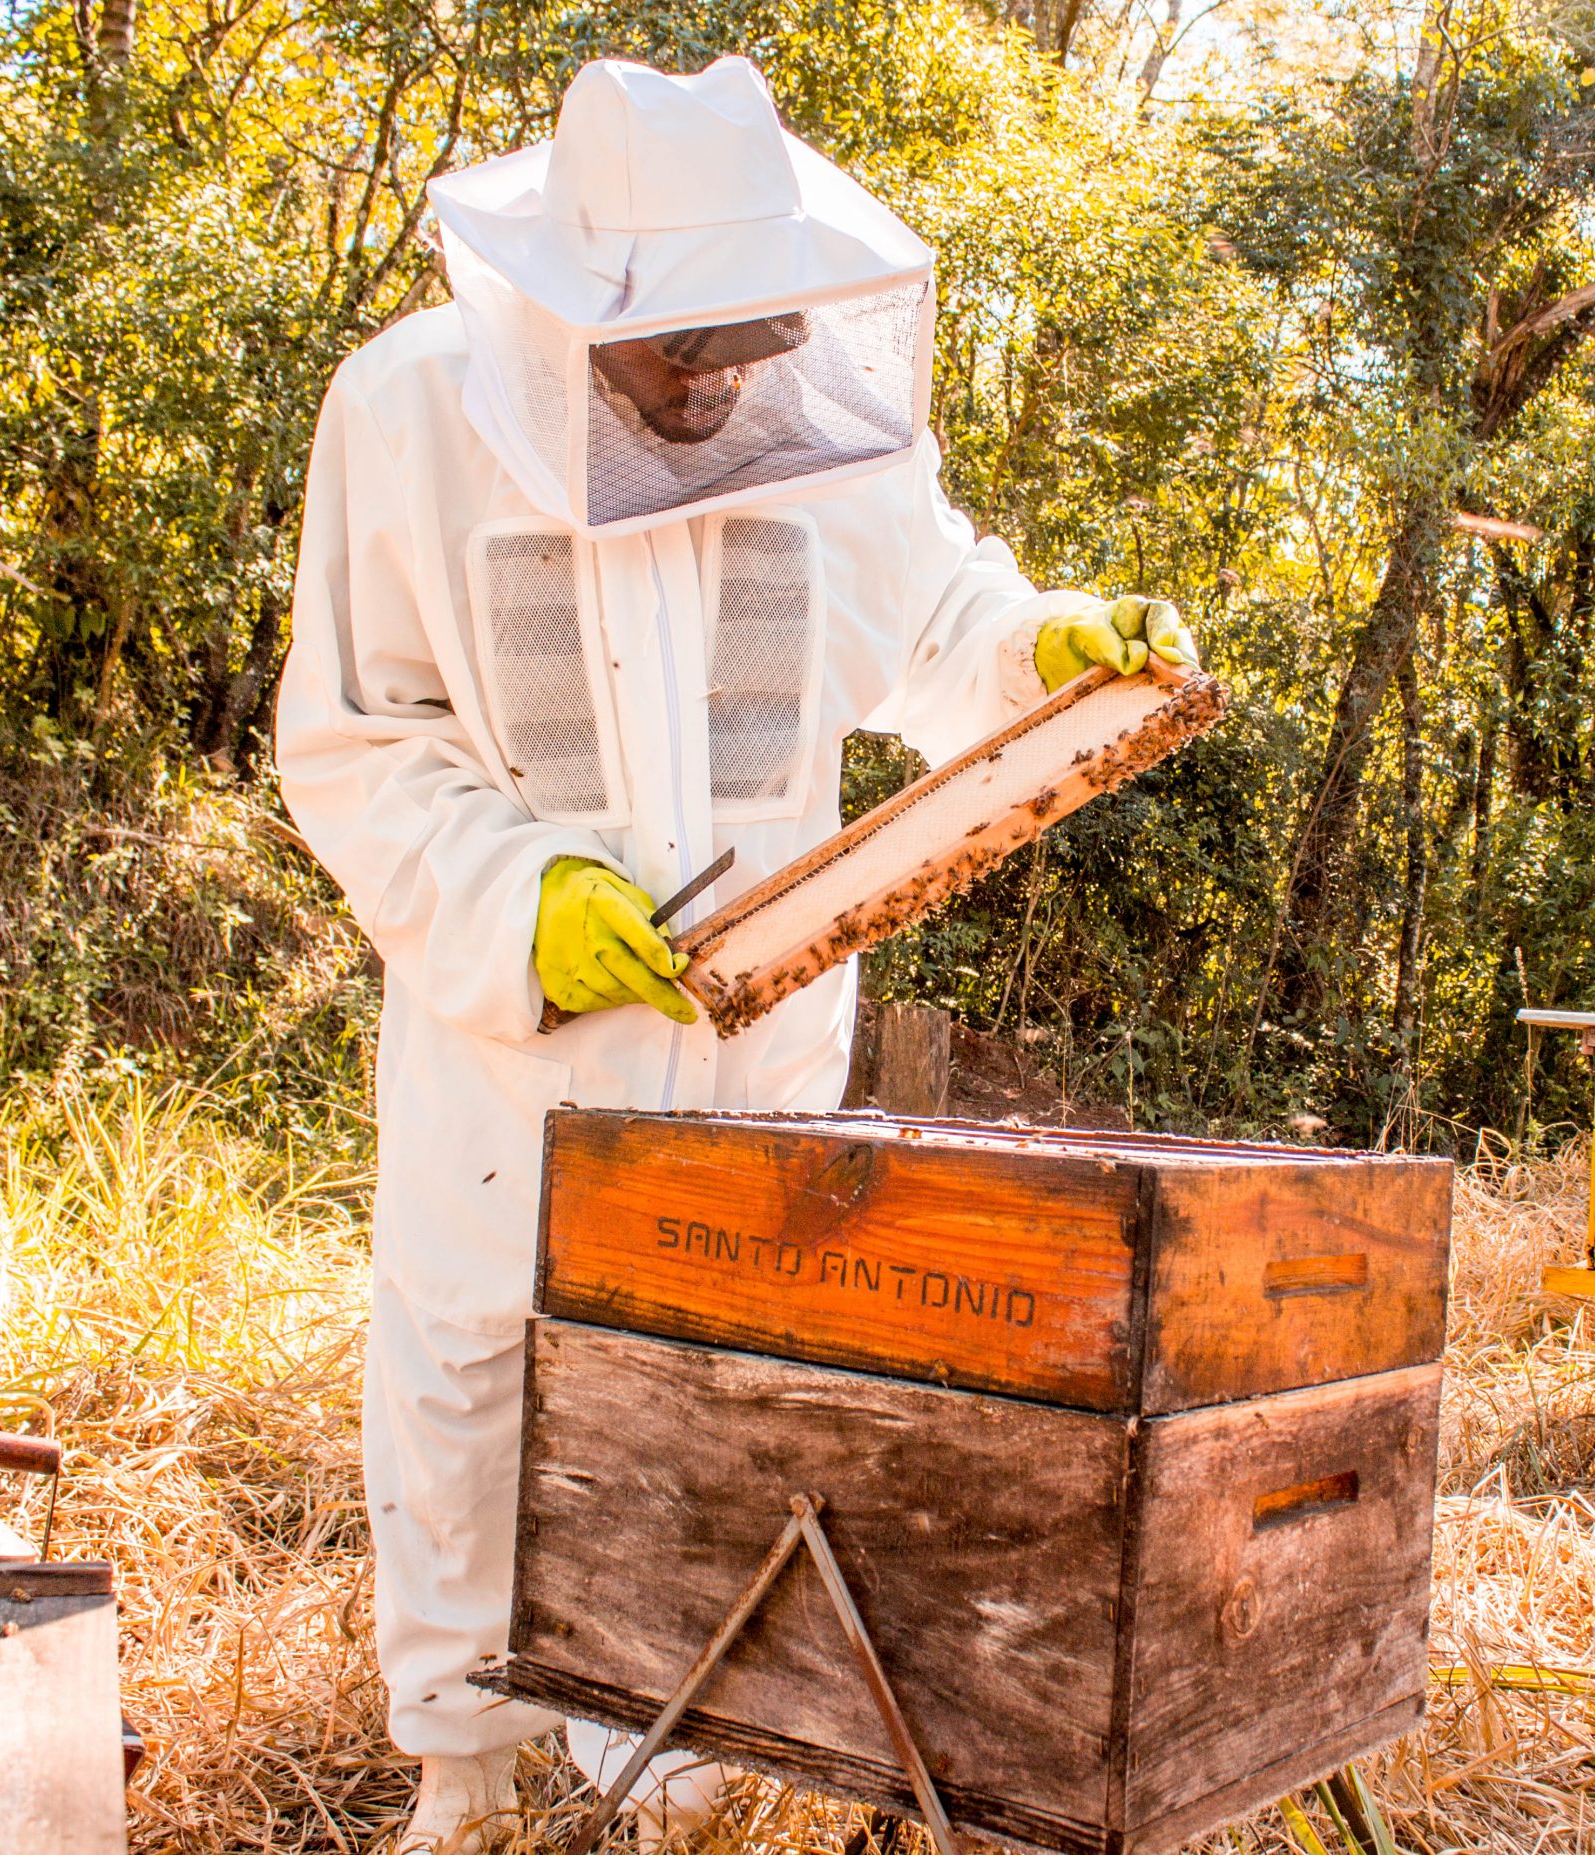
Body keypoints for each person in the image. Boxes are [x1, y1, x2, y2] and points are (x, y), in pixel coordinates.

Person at [275, 53, 1198, 1855]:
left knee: (714, 1395)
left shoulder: (822, 424)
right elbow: (360, 732)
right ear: (563, 308)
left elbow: (936, 620)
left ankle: (672, 1766)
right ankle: (466, 1775)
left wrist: (1046, 643)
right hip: (519, 1043)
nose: (712, 376)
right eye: (672, 345)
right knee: (474, 1374)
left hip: (756, 1044)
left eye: (740, 334)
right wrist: (513, 893)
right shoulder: (403, 415)